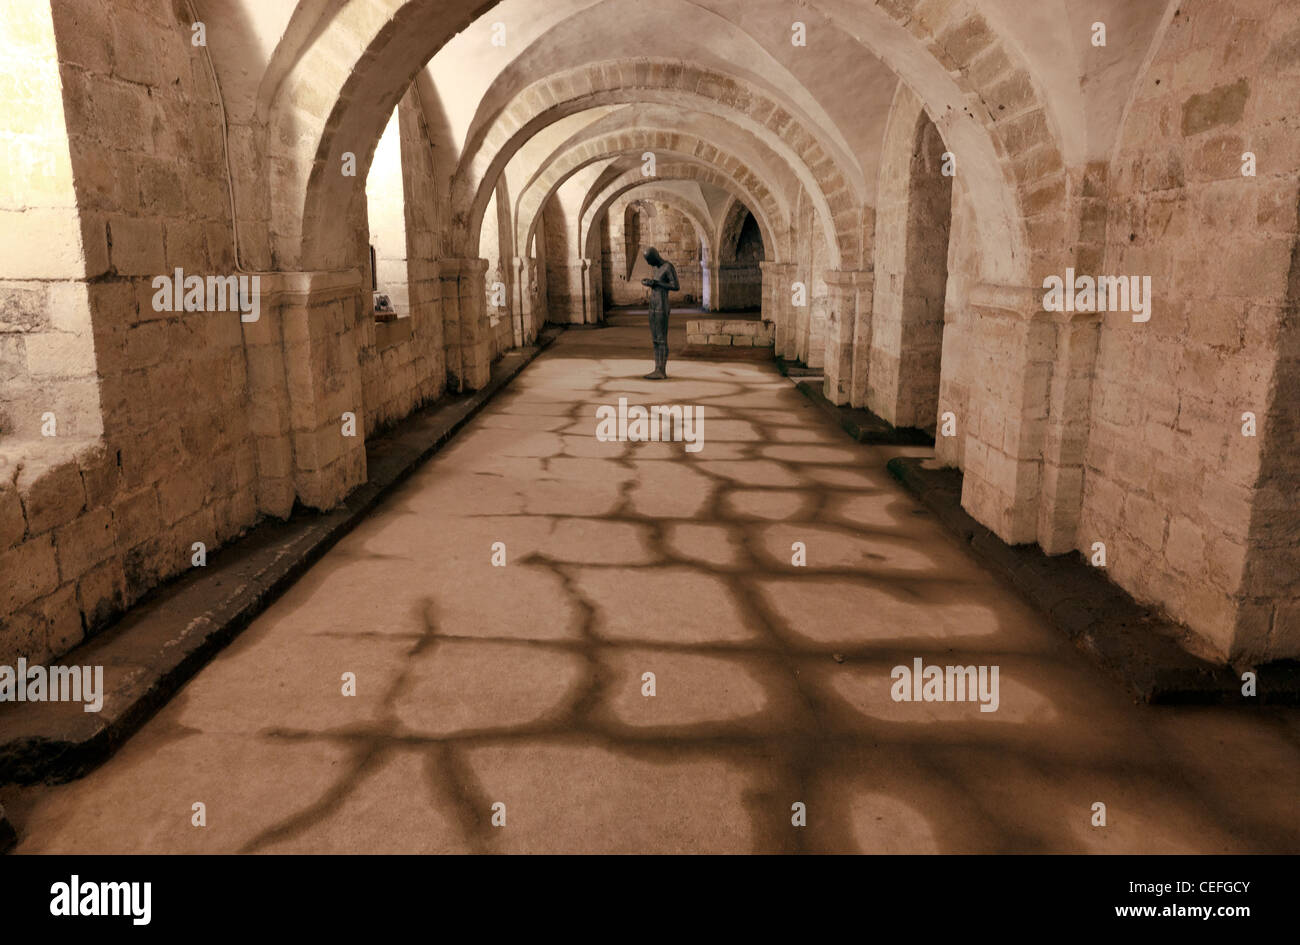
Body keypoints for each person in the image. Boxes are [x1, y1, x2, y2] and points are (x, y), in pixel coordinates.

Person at [639, 246, 678, 379]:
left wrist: (656, 284)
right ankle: (657, 369)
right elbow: (656, 283)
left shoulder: (668, 267)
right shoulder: (655, 268)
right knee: (655, 340)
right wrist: (650, 283)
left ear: (655, 257)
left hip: (662, 306)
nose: (649, 263)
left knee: (661, 340)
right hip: (653, 306)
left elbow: (675, 286)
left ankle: (662, 370)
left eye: (649, 260)